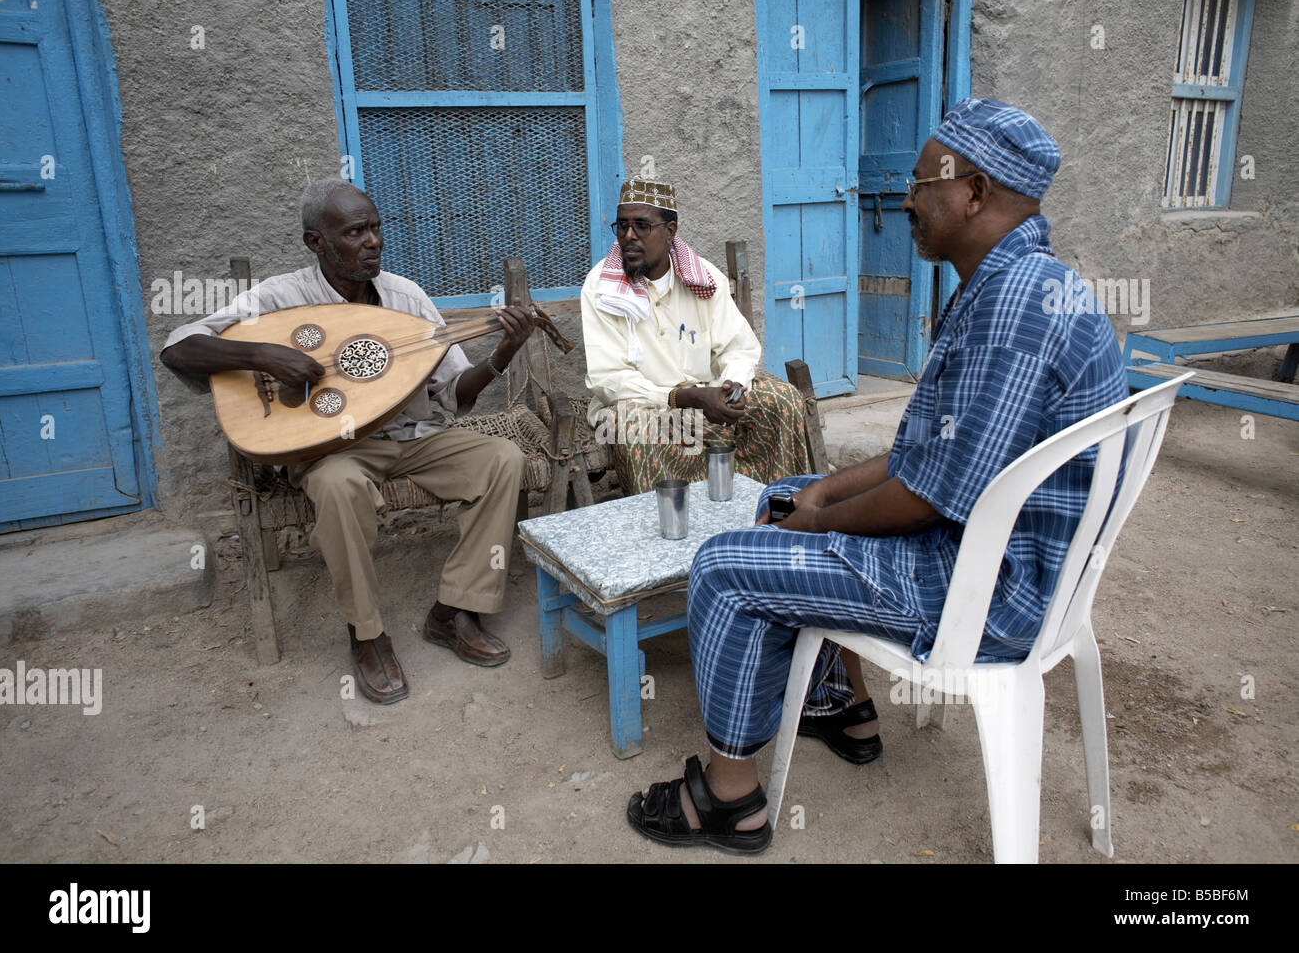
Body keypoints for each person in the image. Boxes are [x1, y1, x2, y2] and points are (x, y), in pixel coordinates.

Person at [626, 99, 1128, 853]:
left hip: (987, 589)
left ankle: (730, 800)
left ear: (975, 192)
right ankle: (843, 702)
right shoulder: (1015, 280)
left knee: (724, 566)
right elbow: (939, 449)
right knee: (783, 493)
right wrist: (820, 492)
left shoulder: (1016, 309)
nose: (905, 199)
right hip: (994, 552)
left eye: (923, 184)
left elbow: (929, 496)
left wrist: (821, 521)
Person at [160, 179, 536, 705]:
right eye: (356, 232)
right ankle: (367, 635)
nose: (373, 241)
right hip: (329, 450)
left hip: (412, 436)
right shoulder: (278, 299)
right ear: (317, 243)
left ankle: (456, 612)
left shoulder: (406, 299)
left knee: (503, 460)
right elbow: (178, 349)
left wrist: (501, 356)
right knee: (337, 487)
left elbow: (452, 393)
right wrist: (262, 356)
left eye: (376, 228)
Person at [580, 177, 810, 495]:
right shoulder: (601, 288)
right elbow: (608, 379)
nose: (629, 236)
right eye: (622, 226)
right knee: (633, 425)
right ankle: (669, 527)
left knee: (783, 401)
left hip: (710, 399)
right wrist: (682, 399)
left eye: (641, 226)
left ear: (670, 231)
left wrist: (732, 389)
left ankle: (774, 512)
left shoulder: (704, 276)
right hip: (650, 408)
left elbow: (739, 347)